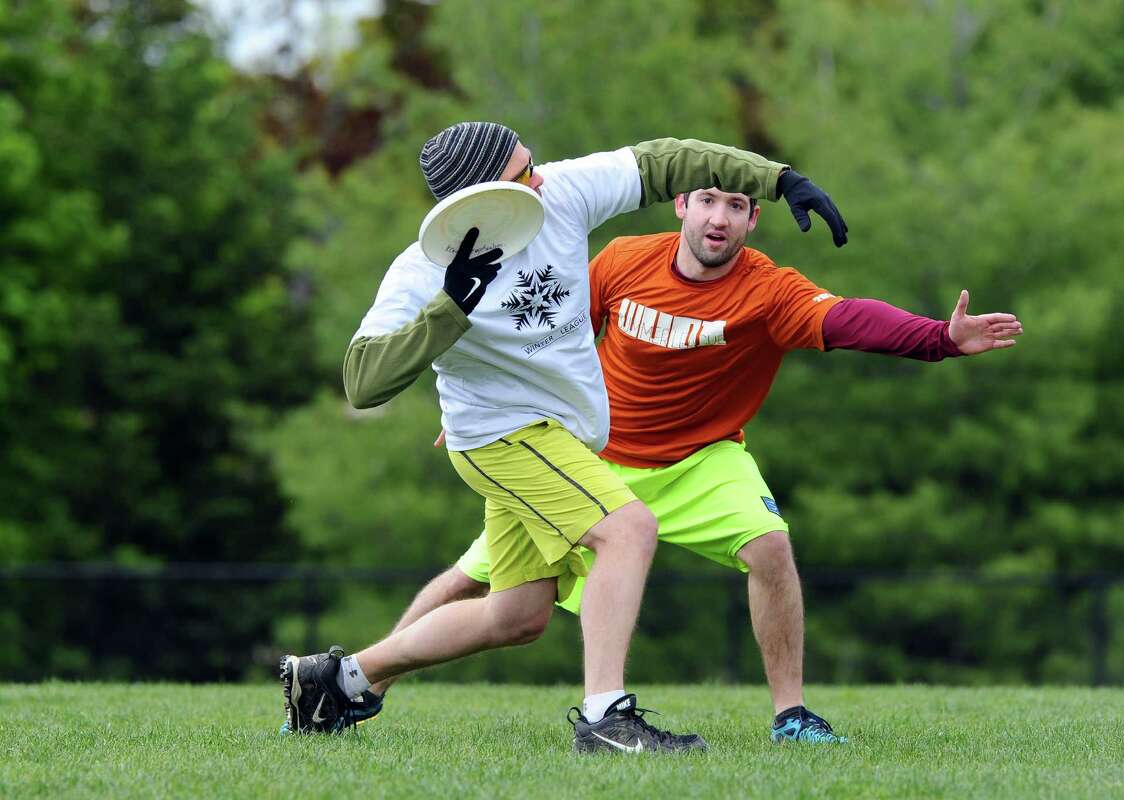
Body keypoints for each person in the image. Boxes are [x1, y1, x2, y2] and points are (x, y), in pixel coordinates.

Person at [359, 185, 1023, 744]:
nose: (719, 217)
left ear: (752, 220)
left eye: (737, 205)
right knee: (474, 587)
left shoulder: (769, 289)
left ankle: (791, 716)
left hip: (703, 459)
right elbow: (547, 340)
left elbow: (848, 318)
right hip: (594, 460)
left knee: (771, 549)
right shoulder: (621, 260)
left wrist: (940, 339)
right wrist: (485, 409)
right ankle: (363, 685)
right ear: (680, 204)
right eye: (708, 200)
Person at [279, 121, 850, 753]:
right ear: (481, 197)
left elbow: (665, 161)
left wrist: (775, 178)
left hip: (558, 436)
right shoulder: (421, 270)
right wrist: (449, 311)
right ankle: (608, 718)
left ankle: (337, 679)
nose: (540, 177)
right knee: (629, 528)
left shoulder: (562, 194)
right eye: (524, 173)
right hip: (501, 437)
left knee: (517, 615)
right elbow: (362, 381)